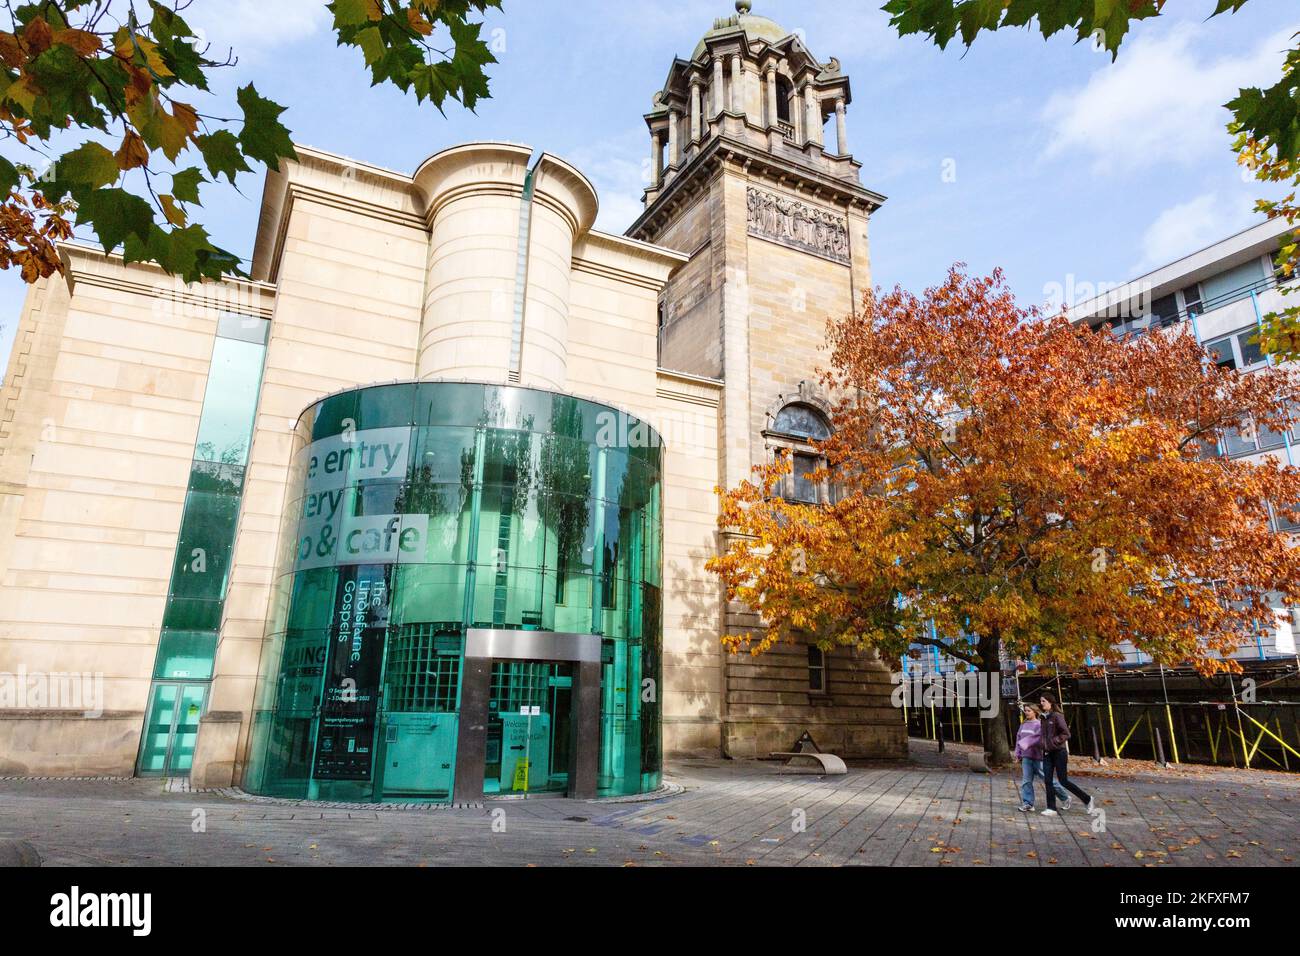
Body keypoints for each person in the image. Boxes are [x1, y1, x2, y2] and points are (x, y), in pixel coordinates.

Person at [1038, 691, 1095, 816]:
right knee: (1047, 780)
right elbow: (1042, 735)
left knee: (1063, 780)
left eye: (1044, 701)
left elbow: (1066, 733)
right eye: (1041, 701)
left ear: (1050, 702)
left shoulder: (1057, 716)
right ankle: (1051, 808)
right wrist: (1042, 744)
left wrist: (1053, 742)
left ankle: (1087, 799)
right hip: (1047, 753)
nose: (1041, 703)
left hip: (1059, 752)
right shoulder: (1043, 718)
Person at [1012, 703, 1070, 812]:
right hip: (1026, 757)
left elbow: (1040, 739)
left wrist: (1028, 742)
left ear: (1035, 712)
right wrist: (1018, 753)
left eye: (1029, 710)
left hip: (1038, 757)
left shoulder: (1039, 724)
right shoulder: (1023, 725)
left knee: (1048, 780)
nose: (1026, 712)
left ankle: (1065, 797)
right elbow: (1018, 739)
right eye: (1025, 710)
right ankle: (1028, 803)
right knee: (1026, 781)